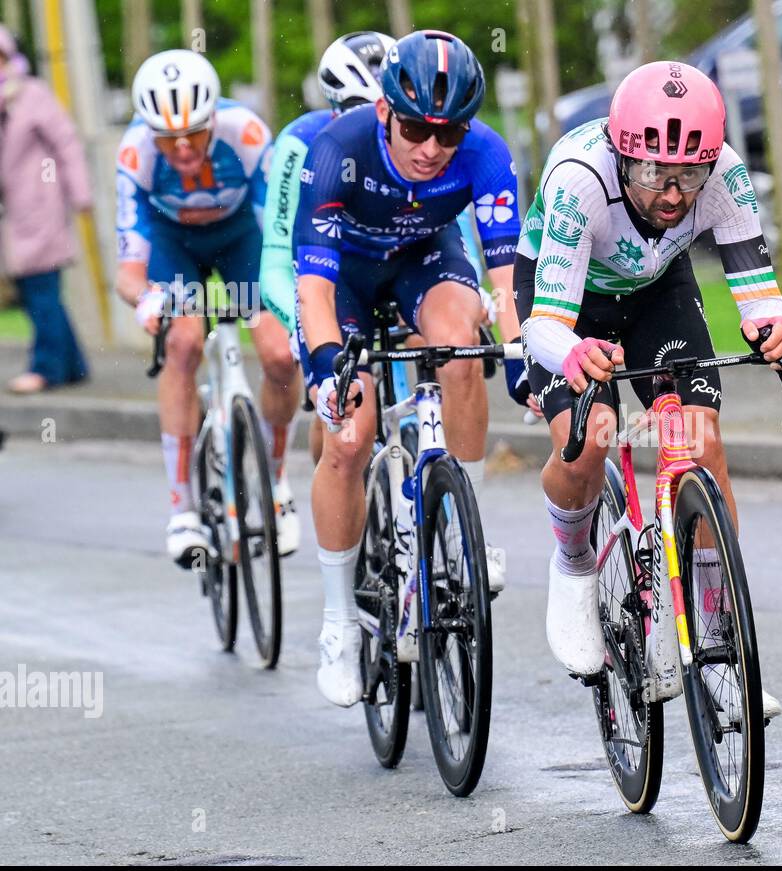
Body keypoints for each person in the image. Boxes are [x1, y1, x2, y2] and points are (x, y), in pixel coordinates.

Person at [515, 61, 782, 719]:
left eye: (688, 176)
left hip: (656, 292)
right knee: (589, 443)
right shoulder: (579, 181)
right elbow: (544, 327)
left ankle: (720, 637)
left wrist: (777, 329)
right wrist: (574, 352)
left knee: (700, 441)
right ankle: (574, 561)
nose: (673, 194)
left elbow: (758, 294)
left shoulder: (724, 173)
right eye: (652, 173)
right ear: (622, 155)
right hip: (567, 302)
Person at [294, 30, 522, 706]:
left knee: (460, 344)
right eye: (418, 128)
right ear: (387, 112)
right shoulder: (338, 151)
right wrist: (331, 364)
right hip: (348, 279)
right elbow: (313, 290)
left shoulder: (486, 154)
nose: (431, 148)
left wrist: (517, 355)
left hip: (425, 256)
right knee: (349, 436)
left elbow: (506, 279)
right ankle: (339, 621)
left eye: (448, 133)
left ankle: (461, 524)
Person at [115, 49, 301, 565]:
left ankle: (277, 482)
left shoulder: (248, 136)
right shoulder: (135, 153)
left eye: (193, 134)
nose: (180, 148)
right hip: (173, 246)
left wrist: (282, 299)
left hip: (245, 240)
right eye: (166, 137)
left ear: (213, 119)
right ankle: (183, 509)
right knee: (183, 342)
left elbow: (279, 237)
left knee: (281, 355)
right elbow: (129, 270)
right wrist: (148, 299)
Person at [260, 30, 395, 465]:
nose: (372, 127)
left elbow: (452, 230)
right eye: (359, 112)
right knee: (338, 417)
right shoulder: (300, 142)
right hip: (325, 273)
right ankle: (335, 501)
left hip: (390, 269)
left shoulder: (416, 146)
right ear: (334, 108)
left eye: (391, 113)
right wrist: (303, 325)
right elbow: (277, 264)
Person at [0, 26, 93, 395]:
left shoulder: (32, 95)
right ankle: (73, 365)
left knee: (41, 287)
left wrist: (81, 195)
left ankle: (46, 368)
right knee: (40, 290)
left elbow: (66, 142)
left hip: (42, 204)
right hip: (14, 214)